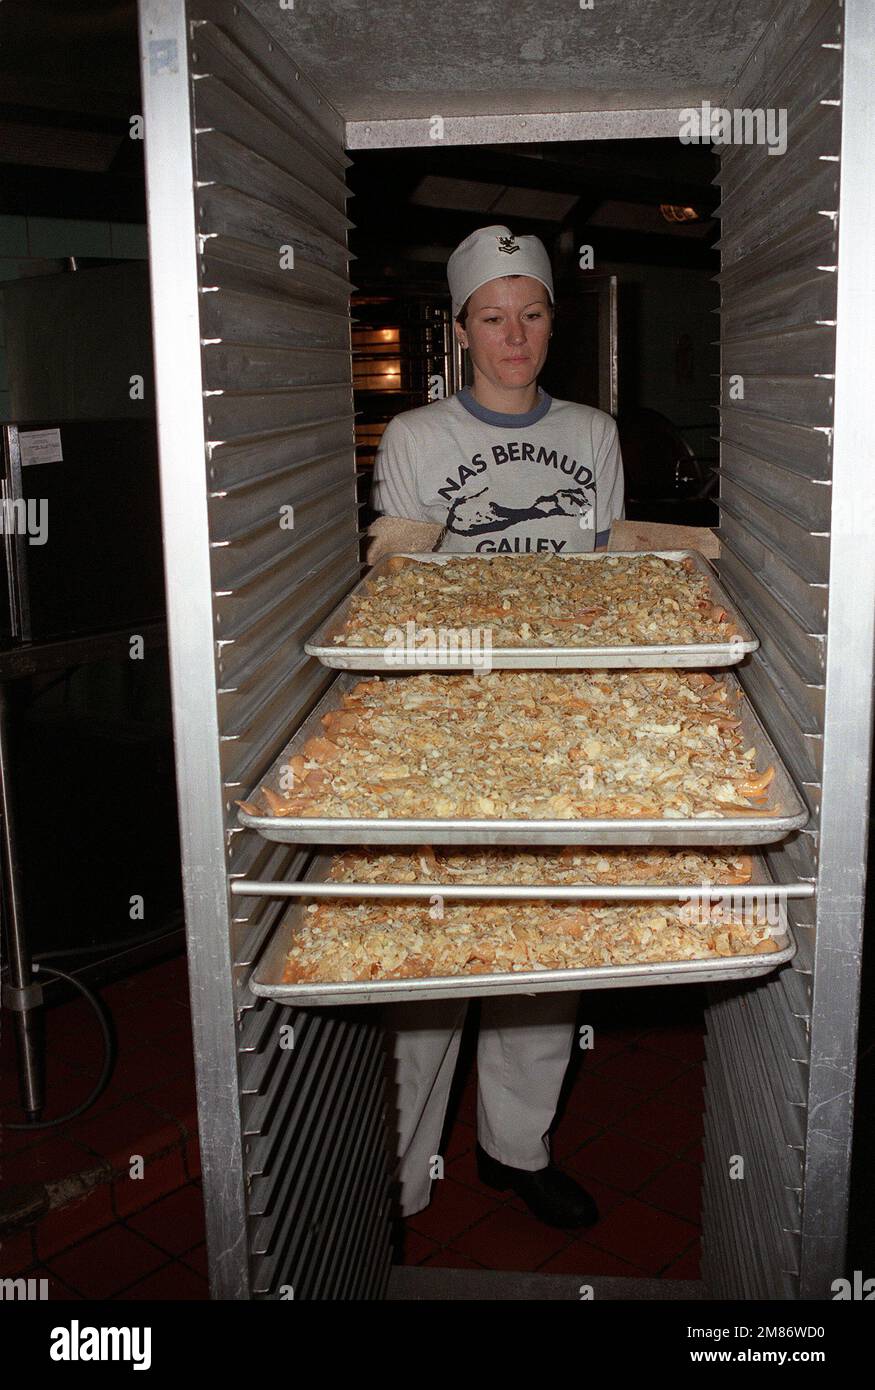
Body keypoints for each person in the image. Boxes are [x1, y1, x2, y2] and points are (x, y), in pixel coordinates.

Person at [368, 225, 626, 1229]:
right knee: (434, 956)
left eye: (530, 314)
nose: (512, 335)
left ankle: (514, 1149)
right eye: (492, 317)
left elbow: (608, 589)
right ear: (462, 329)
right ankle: (397, 1176)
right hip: (447, 728)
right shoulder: (415, 441)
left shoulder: (593, 435)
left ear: (551, 325)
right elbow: (398, 602)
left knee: (539, 950)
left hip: (559, 723)